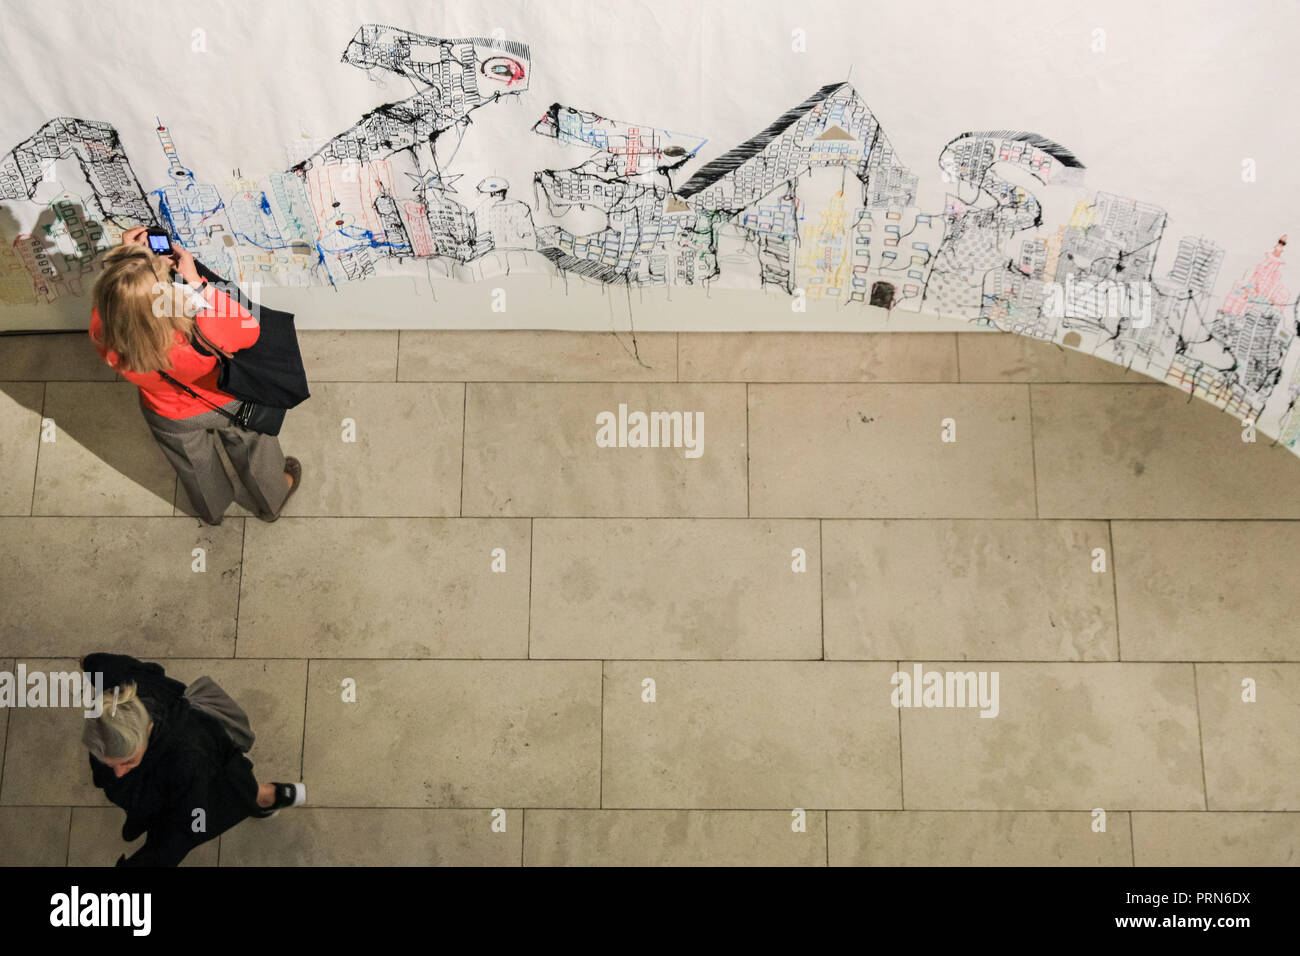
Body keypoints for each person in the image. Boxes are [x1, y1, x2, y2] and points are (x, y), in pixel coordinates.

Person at [88, 226, 302, 524]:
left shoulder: (102, 331)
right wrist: (195, 282)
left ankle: (212, 511)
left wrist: (126, 264)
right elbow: (251, 330)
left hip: (167, 413)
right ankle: (272, 500)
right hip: (227, 401)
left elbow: (116, 300)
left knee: (193, 464)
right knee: (253, 448)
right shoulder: (204, 324)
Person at [81, 652, 305, 866]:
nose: (118, 773)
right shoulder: (121, 690)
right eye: (108, 762)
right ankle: (263, 795)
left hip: (206, 773)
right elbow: (103, 665)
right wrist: (90, 663)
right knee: (238, 788)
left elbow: (189, 826)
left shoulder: (187, 760)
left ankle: (262, 796)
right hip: (198, 762)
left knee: (231, 794)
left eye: (128, 762)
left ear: (147, 732)